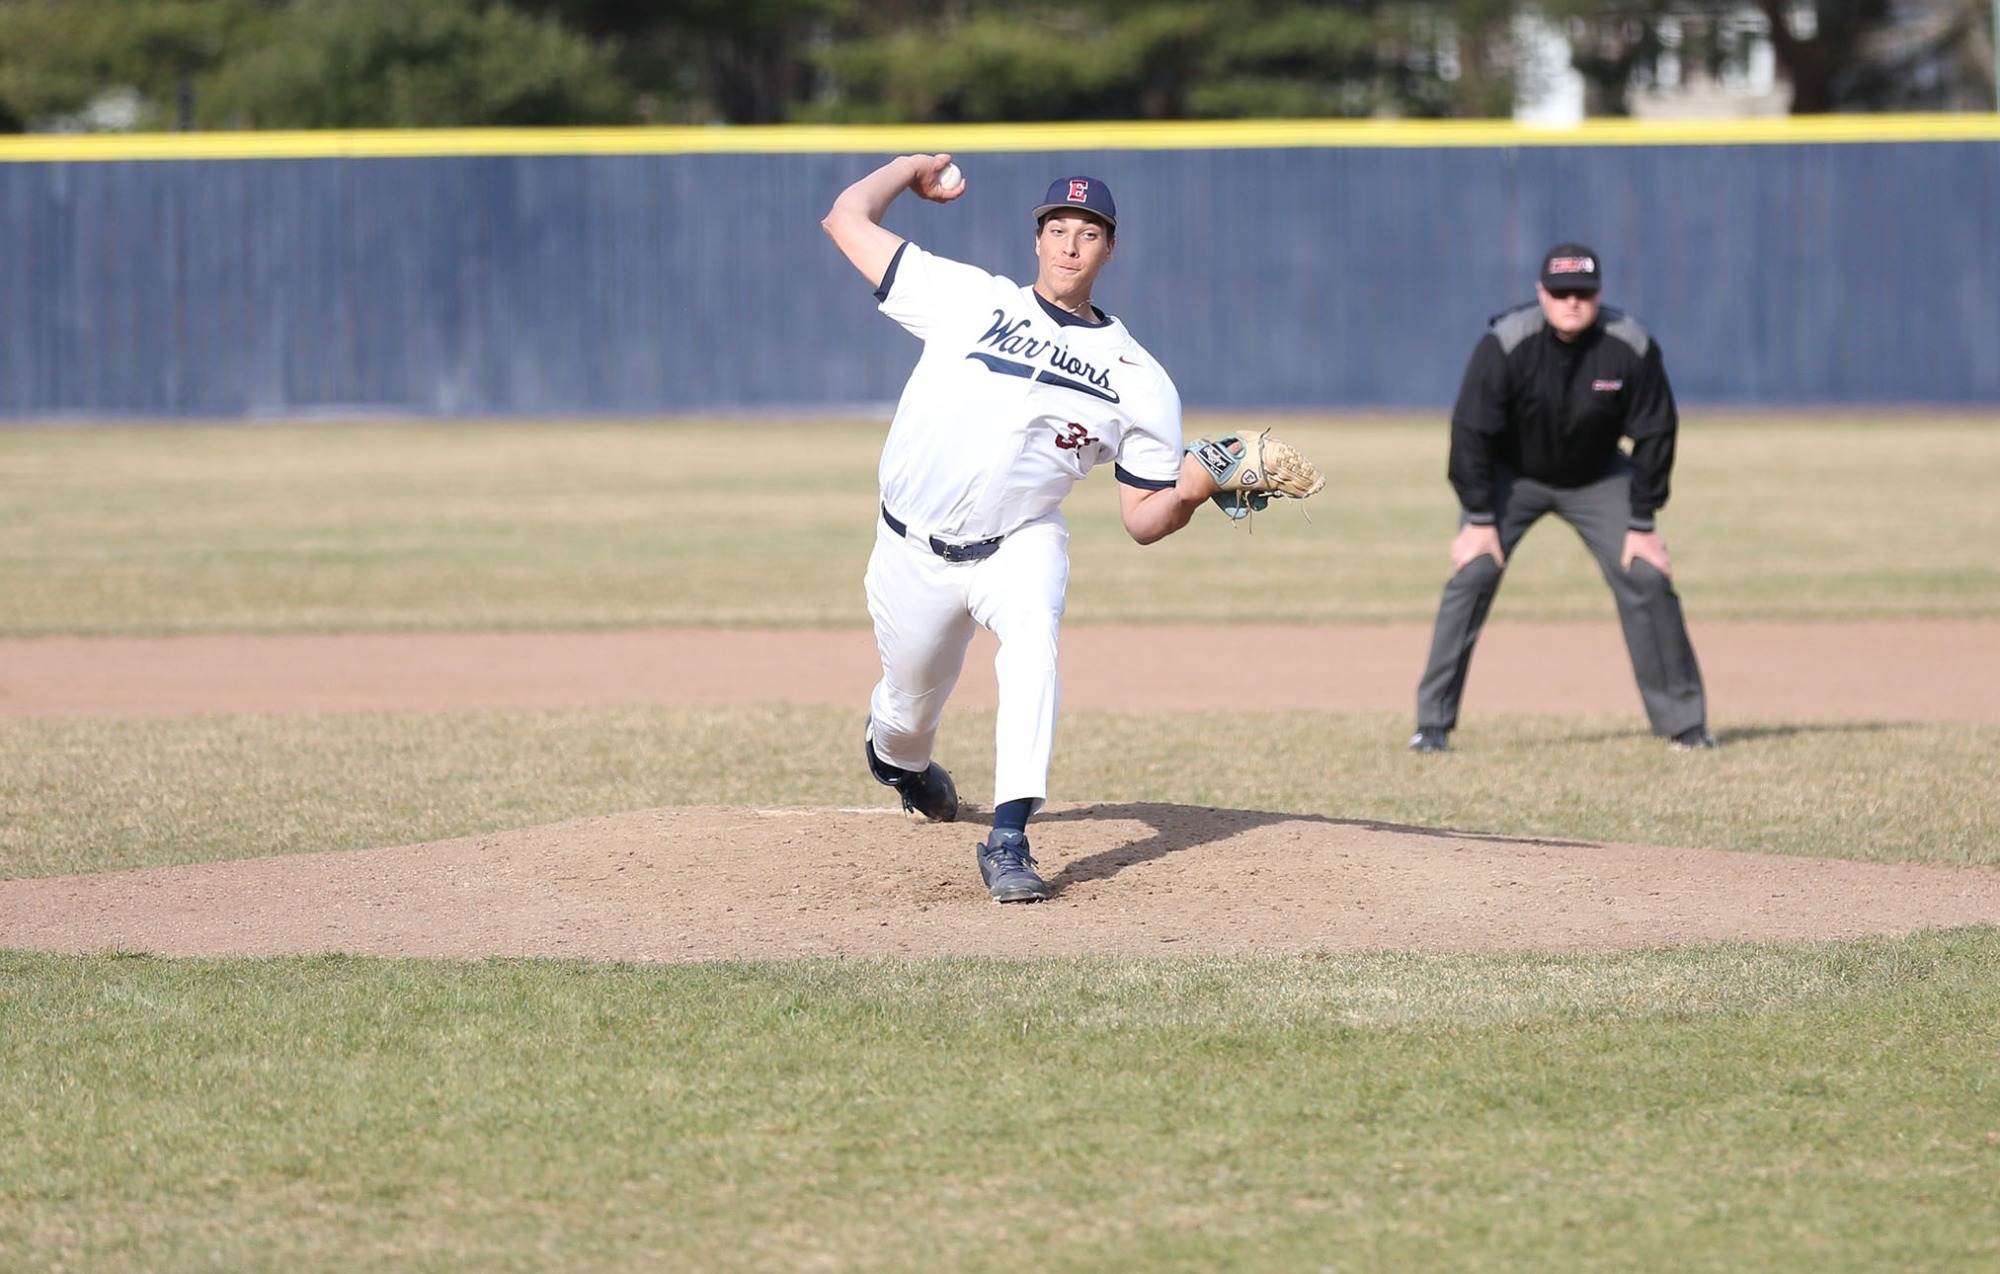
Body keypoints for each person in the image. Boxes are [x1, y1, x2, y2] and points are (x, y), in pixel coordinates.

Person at [821, 154, 1223, 902]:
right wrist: (908, 169)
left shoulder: (1139, 378)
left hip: (1020, 541)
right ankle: (899, 763)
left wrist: (1196, 488)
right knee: (906, 723)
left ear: (1110, 249)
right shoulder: (969, 300)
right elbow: (845, 218)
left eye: (1089, 232)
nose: (1071, 244)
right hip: (911, 551)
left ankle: (1008, 838)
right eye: (1058, 227)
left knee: (1033, 646)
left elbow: (1143, 519)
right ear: (1037, 239)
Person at [1409, 242, 1715, 753]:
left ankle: (1686, 725)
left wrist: (1643, 522)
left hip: (1597, 477)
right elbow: (1470, 432)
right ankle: (1431, 725)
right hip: (1511, 477)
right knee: (1475, 570)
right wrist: (1480, 517)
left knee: (1646, 573)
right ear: (1540, 293)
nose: (1572, 301)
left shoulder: (1630, 345)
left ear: (1599, 295)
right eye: (1560, 291)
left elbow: (1657, 433)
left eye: (1583, 292)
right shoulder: (1506, 343)